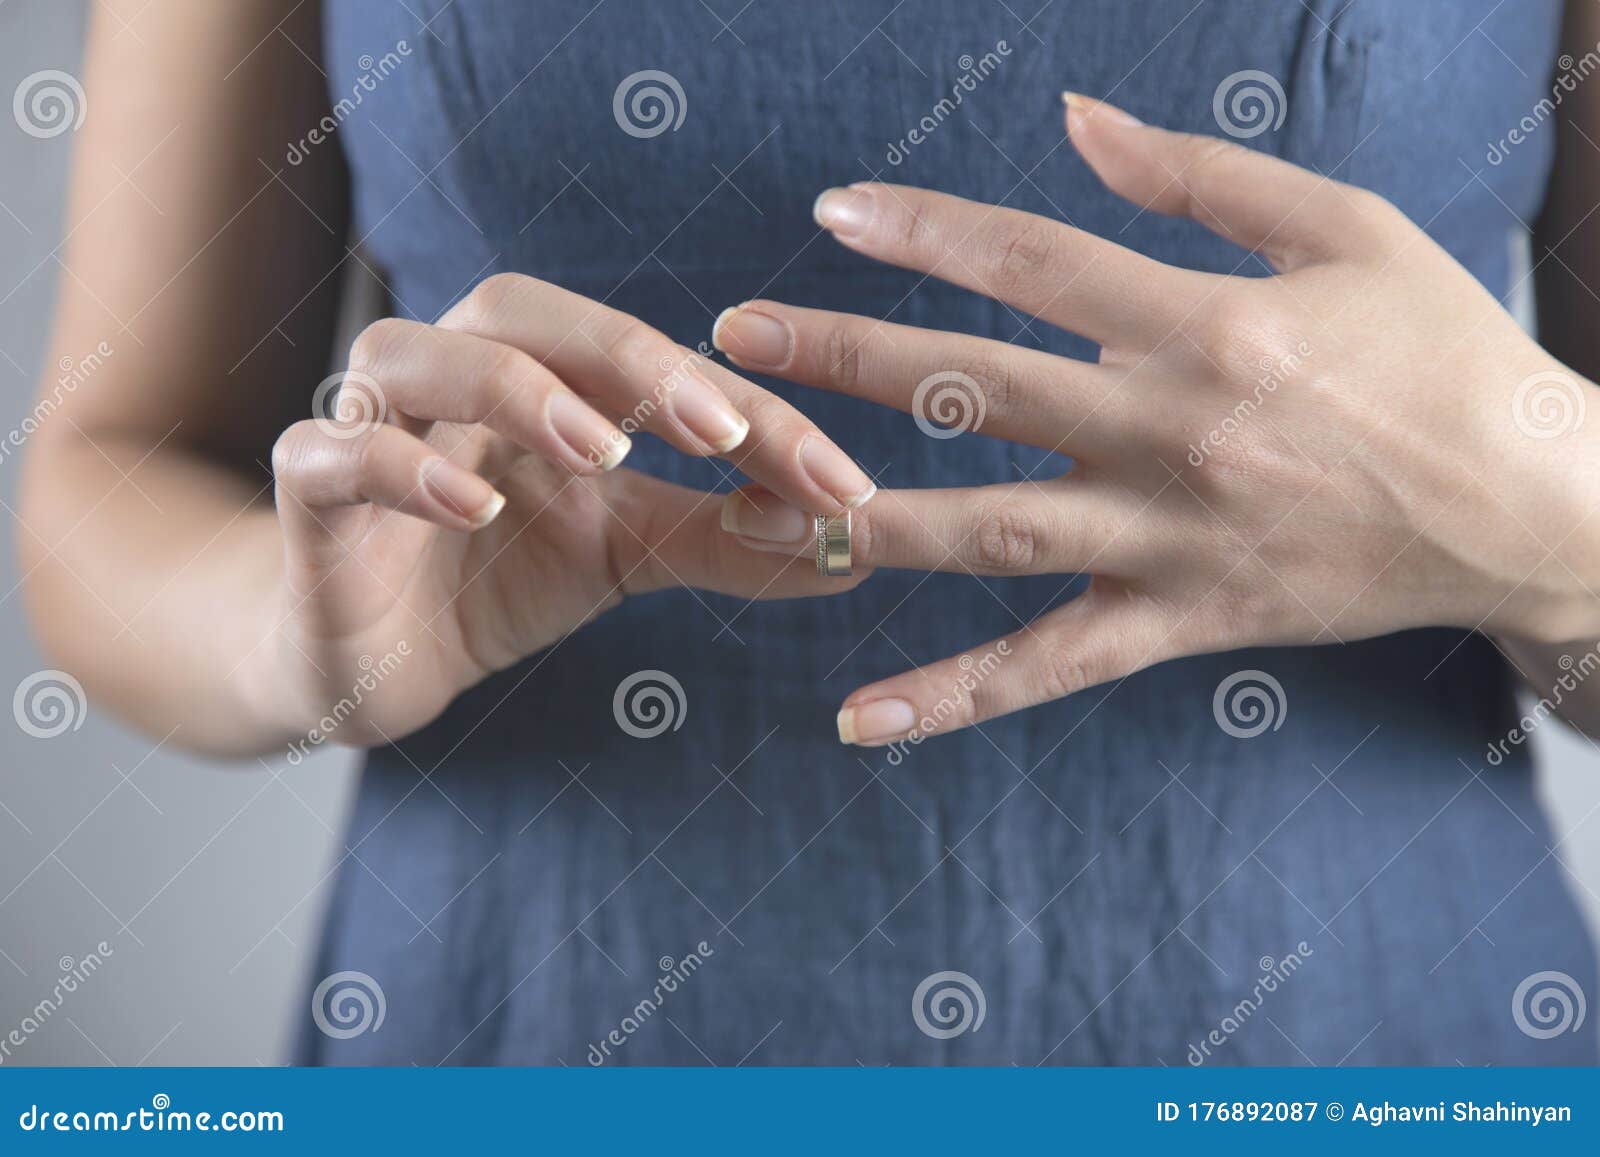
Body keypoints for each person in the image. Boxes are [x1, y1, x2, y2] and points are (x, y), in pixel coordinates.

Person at [19, 0, 1600, 1065]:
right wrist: (298, 635)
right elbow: (115, 465)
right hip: (536, 1025)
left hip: (1366, 1036)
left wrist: (1526, 521)